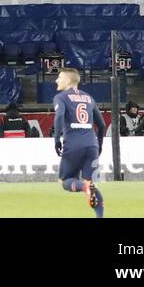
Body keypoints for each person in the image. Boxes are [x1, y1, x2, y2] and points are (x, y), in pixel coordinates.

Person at [52, 67, 106, 218]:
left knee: (65, 180)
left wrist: (57, 139)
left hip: (74, 143)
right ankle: (100, 216)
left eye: (60, 77)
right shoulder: (89, 97)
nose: (57, 80)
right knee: (92, 183)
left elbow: (59, 116)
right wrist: (99, 144)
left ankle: (84, 188)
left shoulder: (61, 97)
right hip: (92, 144)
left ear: (68, 80)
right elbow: (101, 125)